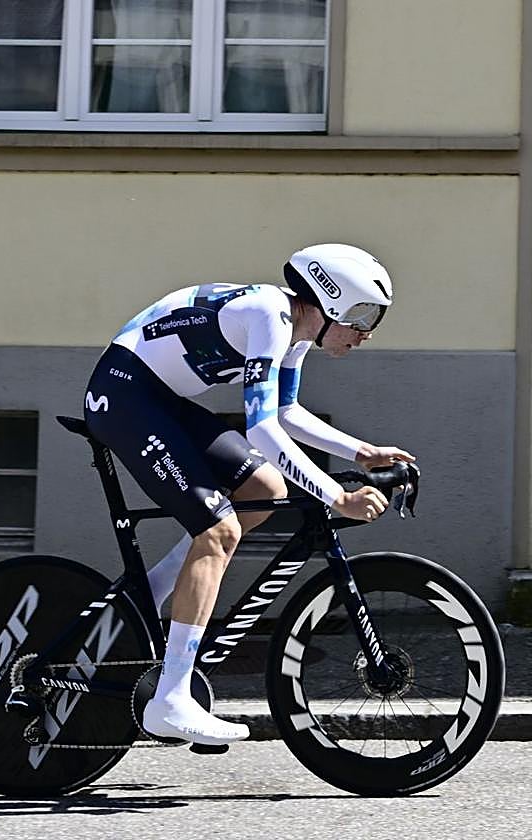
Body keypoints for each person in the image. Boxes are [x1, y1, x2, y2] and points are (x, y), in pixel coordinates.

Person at [82, 243, 415, 744]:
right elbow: (261, 431)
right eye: (364, 316)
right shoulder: (269, 316)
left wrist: (359, 452)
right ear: (331, 301)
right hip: (124, 394)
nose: (367, 333)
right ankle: (170, 699)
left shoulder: (296, 331)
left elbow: (285, 413)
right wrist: (336, 497)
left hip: (159, 400)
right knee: (219, 529)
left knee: (264, 488)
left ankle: (148, 594)